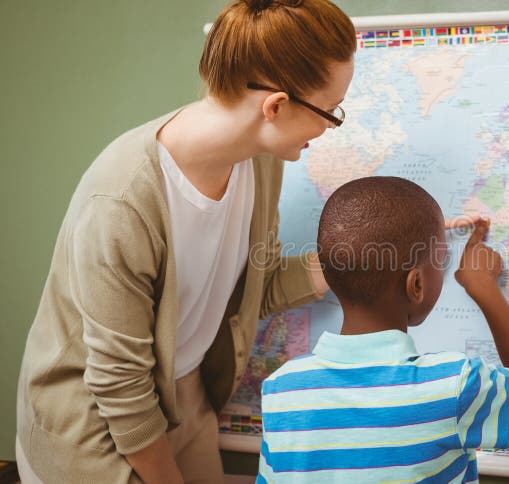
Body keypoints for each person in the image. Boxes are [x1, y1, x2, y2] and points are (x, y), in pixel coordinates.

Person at [15, 1, 356, 482]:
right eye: (330, 111)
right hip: (97, 432)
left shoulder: (262, 160)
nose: (329, 126)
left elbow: (253, 288)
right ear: (275, 106)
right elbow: (120, 385)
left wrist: (358, 255)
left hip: (186, 400)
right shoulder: (123, 199)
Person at [258, 176, 509, 483]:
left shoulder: (281, 390)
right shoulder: (452, 387)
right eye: (442, 260)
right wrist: (482, 285)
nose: (444, 266)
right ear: (417, 285)